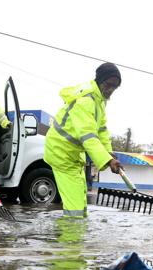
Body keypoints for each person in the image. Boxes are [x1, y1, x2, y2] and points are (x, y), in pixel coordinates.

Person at [44, 62, 123, 217]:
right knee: (75, 209)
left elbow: (101, 131)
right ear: (100, 81)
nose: (111, 90)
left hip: (72, 155)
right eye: (108, 85)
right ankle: (71, 239)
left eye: (115, 87)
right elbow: (88, 136)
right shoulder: (86, 100)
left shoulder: (99, 102)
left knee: (81, 199)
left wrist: (109, 153)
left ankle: (75, 236)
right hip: (61, 152)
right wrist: (107, 160)